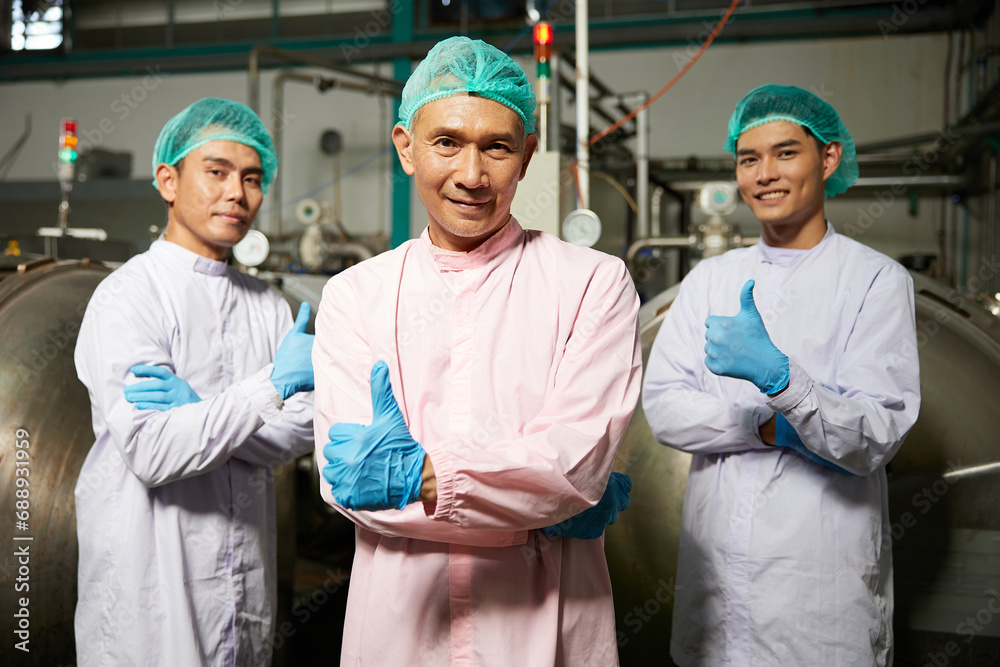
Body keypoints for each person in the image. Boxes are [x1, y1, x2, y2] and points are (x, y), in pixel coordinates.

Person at [312, 36, 641, 666]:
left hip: (545, 623)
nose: (471, 175)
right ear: (406, 148)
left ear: (527, 157)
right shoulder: (357, 294)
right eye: (446, 143)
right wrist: (528, 504)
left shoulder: (592, 283)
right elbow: (351, 483)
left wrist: (424, 479)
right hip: (402, 629)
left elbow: (571, 467)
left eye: (496, 146)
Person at [642, 83, 921, 666]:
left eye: (786, 152)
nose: (764, 174)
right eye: (749, 159)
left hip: (820, 599)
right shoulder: (710, 281)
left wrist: (782, 381)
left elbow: (874, 433)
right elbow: (664, 405)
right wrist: (768, 427)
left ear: (829, 158)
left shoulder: (874, 281)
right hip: (714, 590)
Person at [73, 97, 315, 666]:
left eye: (252, 178)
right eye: (217, 172)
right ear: (168, 180)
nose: (238, 193)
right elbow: (154, 452)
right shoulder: (129, 296)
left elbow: (305, 431)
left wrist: (204, 412)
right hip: (148, 600)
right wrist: (265, 394)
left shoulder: (269, 306)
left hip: (244, 591)